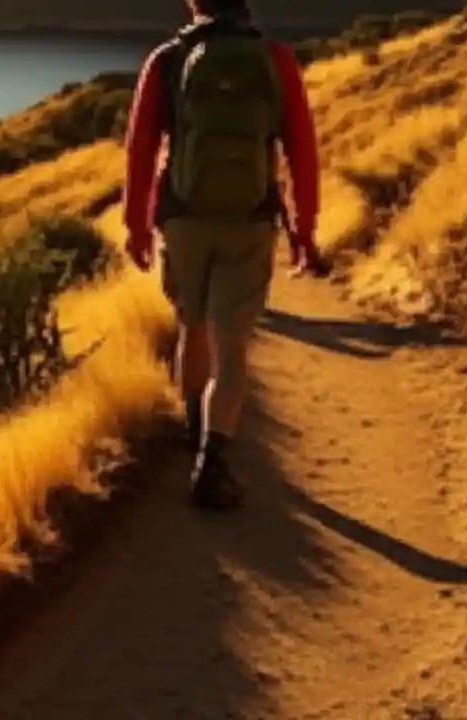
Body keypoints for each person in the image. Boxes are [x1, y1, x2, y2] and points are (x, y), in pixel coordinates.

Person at [122, 0, 326, 511]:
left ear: (195, 3)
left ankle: (194, 429)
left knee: (192, 327)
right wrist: (305, 228)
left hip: (185, 217)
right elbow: (302, 148)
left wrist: (136, 225)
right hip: (251, 219)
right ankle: (214, 461)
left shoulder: (168, 59)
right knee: (231, 345)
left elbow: (140, 148)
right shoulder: (275, 59)